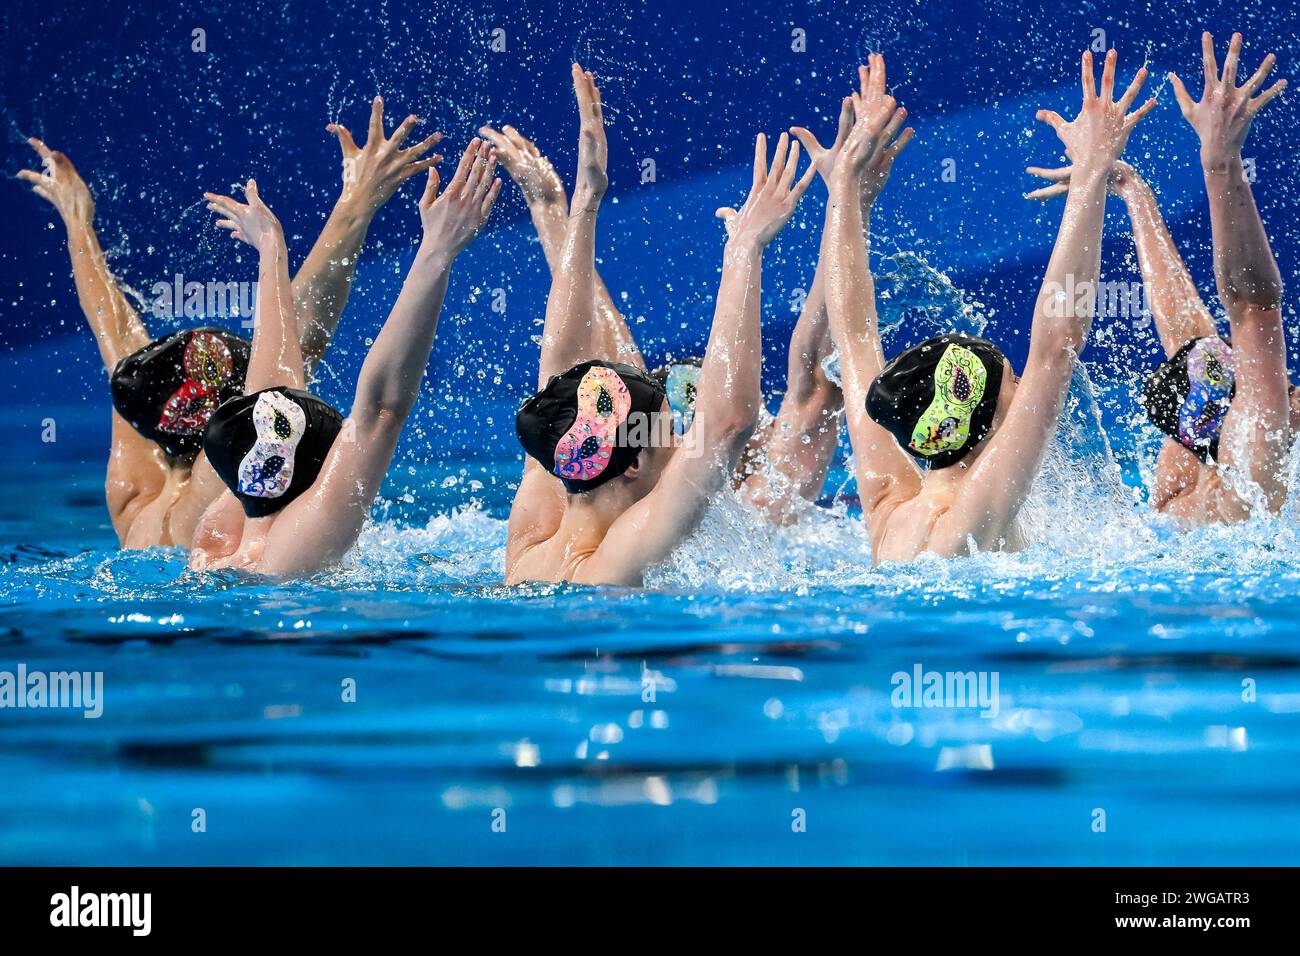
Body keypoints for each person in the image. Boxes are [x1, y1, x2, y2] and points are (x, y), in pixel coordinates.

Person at [15, 97, 441, 549]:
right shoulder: (216, 483)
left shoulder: (133, 497)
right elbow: (295, 340)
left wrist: (77, 219)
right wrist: (356, 203)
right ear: (226, 419)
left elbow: (114, 331)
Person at [819, 50, 1154, 563]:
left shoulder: (890, 513)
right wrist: (1091, 171)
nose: (1023, 389)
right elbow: (1057, 346)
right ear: (978, 420)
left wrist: (844, 187)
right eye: (1013, 385)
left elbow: (856, 338)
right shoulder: (973, 517)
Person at [505, 65, 815, 585]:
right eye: (670, 427)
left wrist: (581, 204)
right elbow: (728, 422)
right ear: (631, 464)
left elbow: (558, 370)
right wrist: (744, 249)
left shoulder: (534, 531)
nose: (682, 436)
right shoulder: (623, 554)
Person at [187, 139, 500, 576]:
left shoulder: (220, 535)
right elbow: (382, 409)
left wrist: (271, 251)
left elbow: (269, 403)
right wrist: (437, 251)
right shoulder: (294, 552)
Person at [1028, 33, 1289, 524]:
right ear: (1240, 412)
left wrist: (1133, 193)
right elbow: (1253, 306)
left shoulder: (1195, 488)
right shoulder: (1258, 460)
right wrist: (1220, 163)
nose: (1290, 390)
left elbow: (1190, 342)